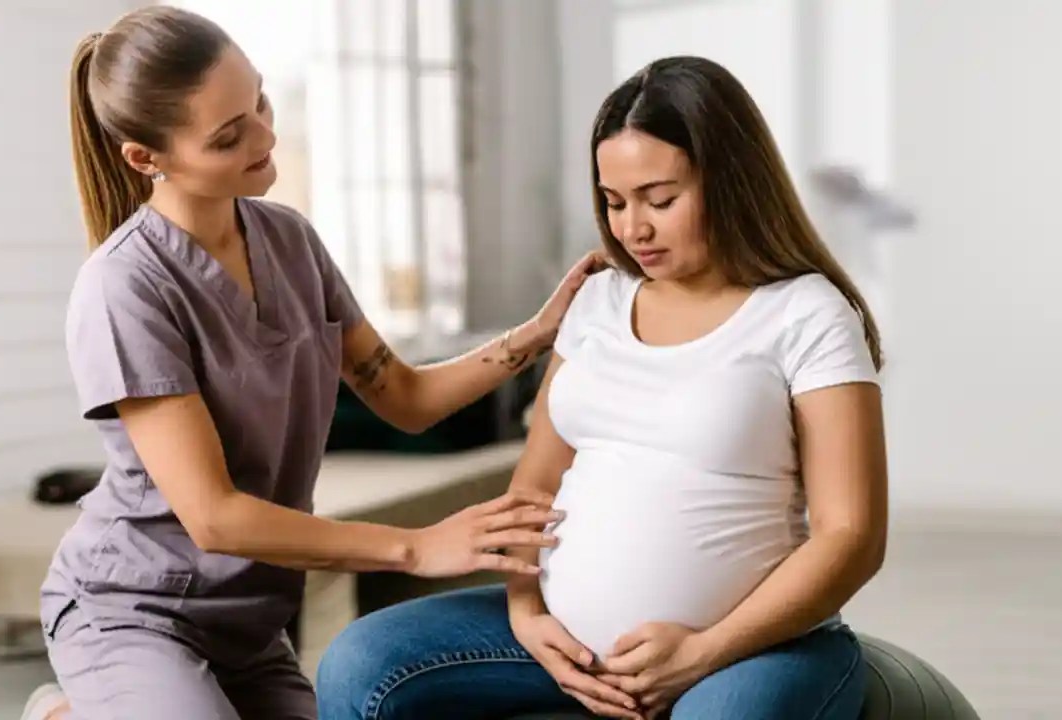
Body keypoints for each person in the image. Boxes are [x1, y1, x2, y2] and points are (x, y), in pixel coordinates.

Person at [19, 6, 605, 720]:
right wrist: (416, 548)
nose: (267, 136)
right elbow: (216, 518)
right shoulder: (126, 287)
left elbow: (406, 397)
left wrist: (537, 333)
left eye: (260, 101)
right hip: (136, 611)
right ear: (147, 158)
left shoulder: (291, 241)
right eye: (229, 135)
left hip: (249, 623)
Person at [315, 56, 889, 720]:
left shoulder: (805, 313)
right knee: (362, 662)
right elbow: (534, 490)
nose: (632, 229)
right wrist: (528, 614)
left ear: (731, 181)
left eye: (660, 199)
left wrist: (702, 652)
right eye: (614, 202)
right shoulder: (598, 300)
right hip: (564, 639)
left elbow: (851, 534)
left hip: (748, 646)